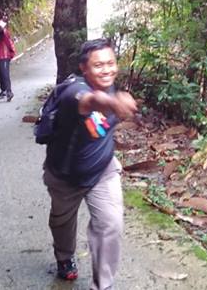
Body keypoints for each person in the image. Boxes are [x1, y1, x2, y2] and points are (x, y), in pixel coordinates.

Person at [42, 39, 137, 289]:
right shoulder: (73, 92)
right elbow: (88, 102)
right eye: (98, 65)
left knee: (111, 224)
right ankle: (64, 257)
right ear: (84, 68)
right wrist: (112, 103)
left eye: (110, 63)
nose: (106, 70)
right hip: (64, 175)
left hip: (102, 170)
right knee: (62, 223)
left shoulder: (110, 85)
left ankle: (102, 285)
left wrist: (114, 100)